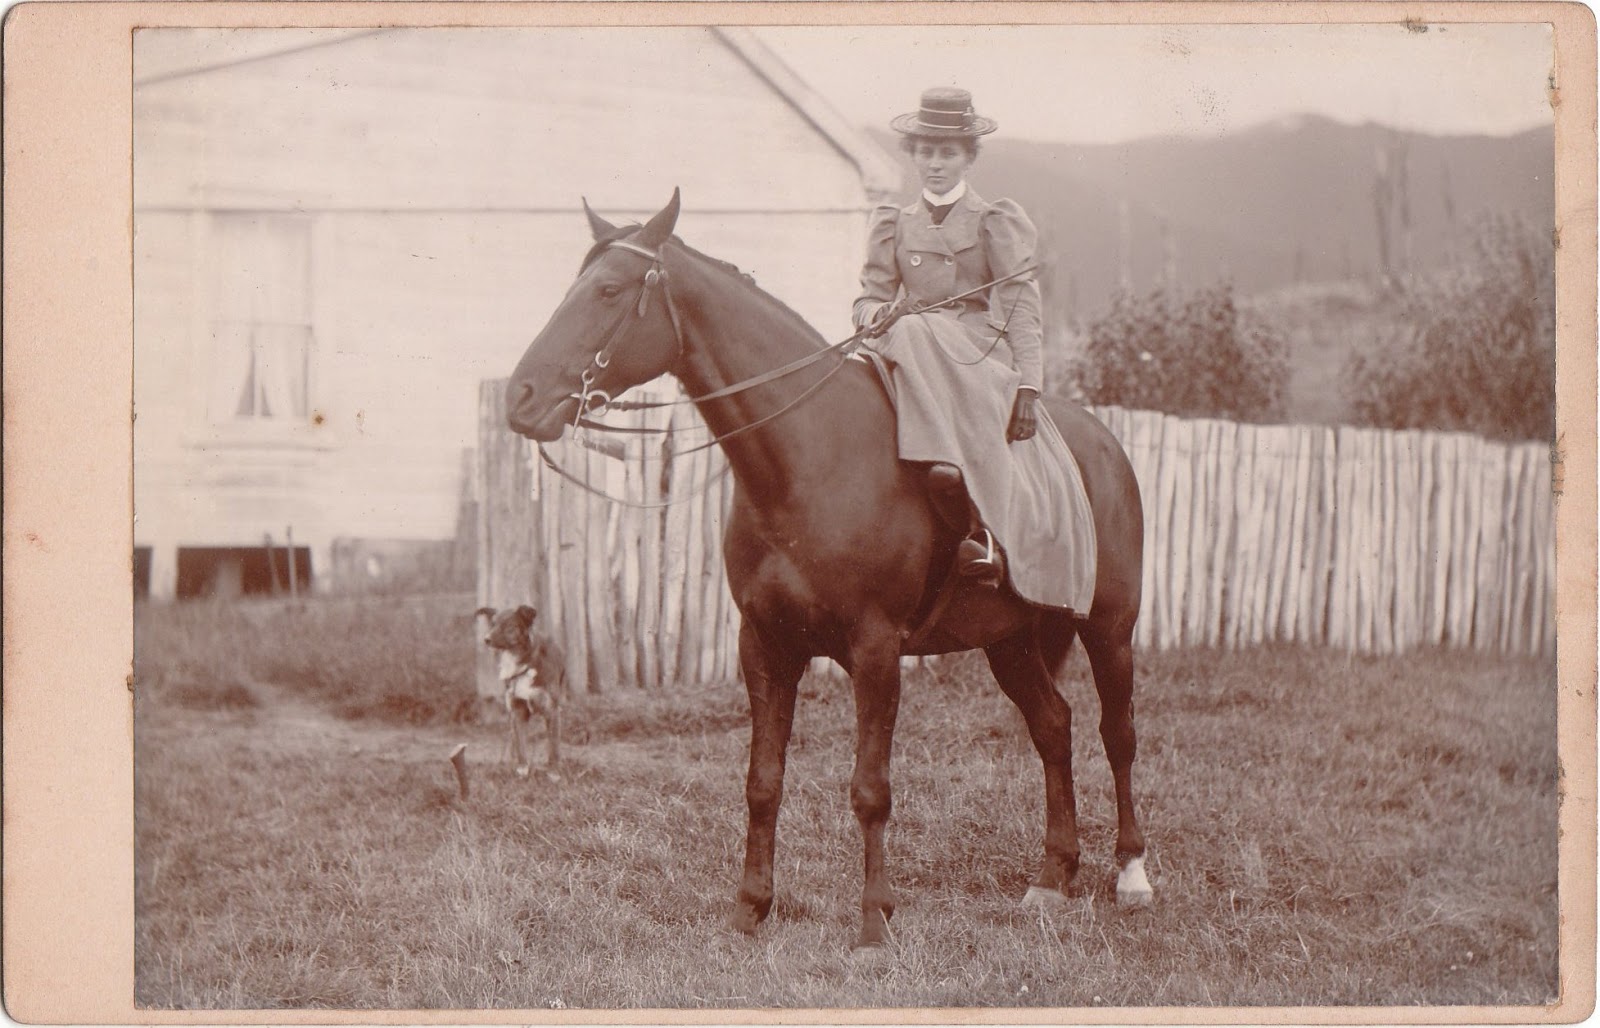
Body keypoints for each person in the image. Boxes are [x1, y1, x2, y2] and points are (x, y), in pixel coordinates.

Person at [853, 86, 1048, 589]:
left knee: (918, 333)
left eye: (947, 153)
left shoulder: (993, 221)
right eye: (925, 152)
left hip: (973, 349)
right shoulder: (893, 224)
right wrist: (879, 313)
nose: (934, 164)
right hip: (907, 339)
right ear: (913, 155)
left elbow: (1021, 304)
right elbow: (867, 300)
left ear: (968, 158)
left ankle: (985, 531)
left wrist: (1029, 384)